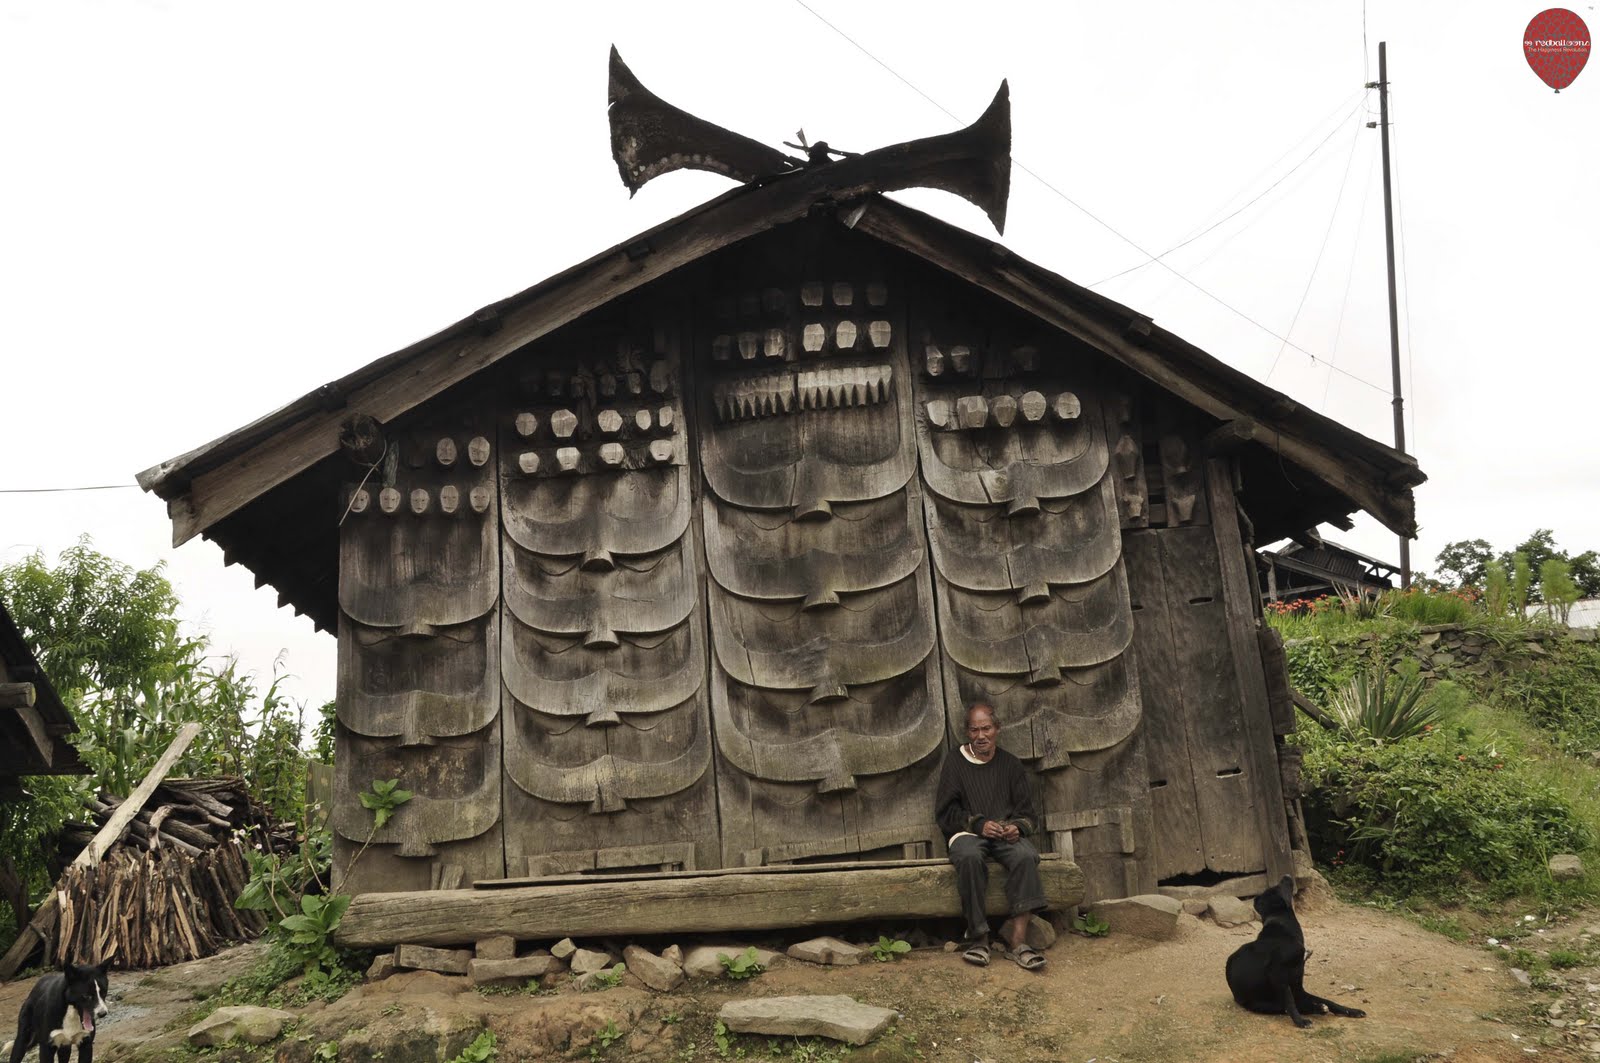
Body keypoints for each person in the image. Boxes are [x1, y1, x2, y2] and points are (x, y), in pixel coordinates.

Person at [934, 701, 1049, 970]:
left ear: (997, 729)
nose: (980, 736)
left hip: (1002, 835)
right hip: (967, 834)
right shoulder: (955, 761)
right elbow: (945, 813)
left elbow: (1028, 815)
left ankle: (1018, 941)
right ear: (967, 732)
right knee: (969, 857)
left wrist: (1017, 827)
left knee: (1026, 856)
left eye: (986, 728)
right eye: (974, 730)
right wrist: (978, 825)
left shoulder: (1010, 764)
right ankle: (979, 939)